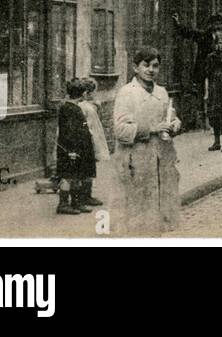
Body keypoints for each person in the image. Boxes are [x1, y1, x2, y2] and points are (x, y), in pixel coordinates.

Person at [112, 46, 181, 236]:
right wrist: (151, 129)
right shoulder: (127, 93)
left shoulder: (161, 92)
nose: (151, 70)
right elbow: (120, 130)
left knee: (159, 215)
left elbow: (171, 117)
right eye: (146, 65)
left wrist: (174, 125)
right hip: (136, 162)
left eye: (155, 66)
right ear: (136, 68)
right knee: (136, 217)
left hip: (161, 161)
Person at [172, 12, 222, 126]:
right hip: (204, 72)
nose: (217, 27)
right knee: (205, 96)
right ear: (211, 25)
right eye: (215, 24)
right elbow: (189, 32)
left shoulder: (221, 38)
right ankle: (204, 121)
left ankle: (216, 122)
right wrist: (178, 23)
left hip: (217, 73)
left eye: (219, 24)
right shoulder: (204, 35)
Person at [55, 78, 96, 215]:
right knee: (68, 176)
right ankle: (63, 204)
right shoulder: (71, 109)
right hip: (70, 150)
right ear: (83, 94)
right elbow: (70, 132)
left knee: (76, 176)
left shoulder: (69, 107)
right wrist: (72, 150)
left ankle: (76, 203)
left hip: (75, 149)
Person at [80, 78, 114, 207]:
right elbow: (90, 126)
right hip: (89, 140)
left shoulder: (87, 105)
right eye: (94, 92)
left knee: (89, 168)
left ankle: (86, 195)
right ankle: (85, 196)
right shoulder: (86, 108)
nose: (95, 95)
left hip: (90, 139)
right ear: (87, 93)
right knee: (87, 169)